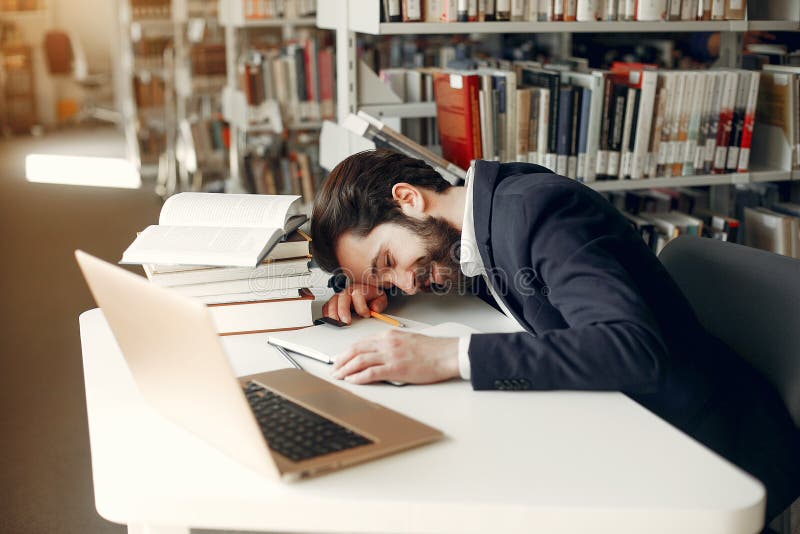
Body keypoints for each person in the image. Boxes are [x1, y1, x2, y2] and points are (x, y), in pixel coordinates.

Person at [310, 149, 800, 524]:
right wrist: (379, 292)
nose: (407, 281)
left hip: (710, 447)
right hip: (630, 424)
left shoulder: (540, 211)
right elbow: (492, 275)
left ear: (408, 199)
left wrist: (448, 357)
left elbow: (629, 347)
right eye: (387, 278)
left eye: (389, 264)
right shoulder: (482, 212)